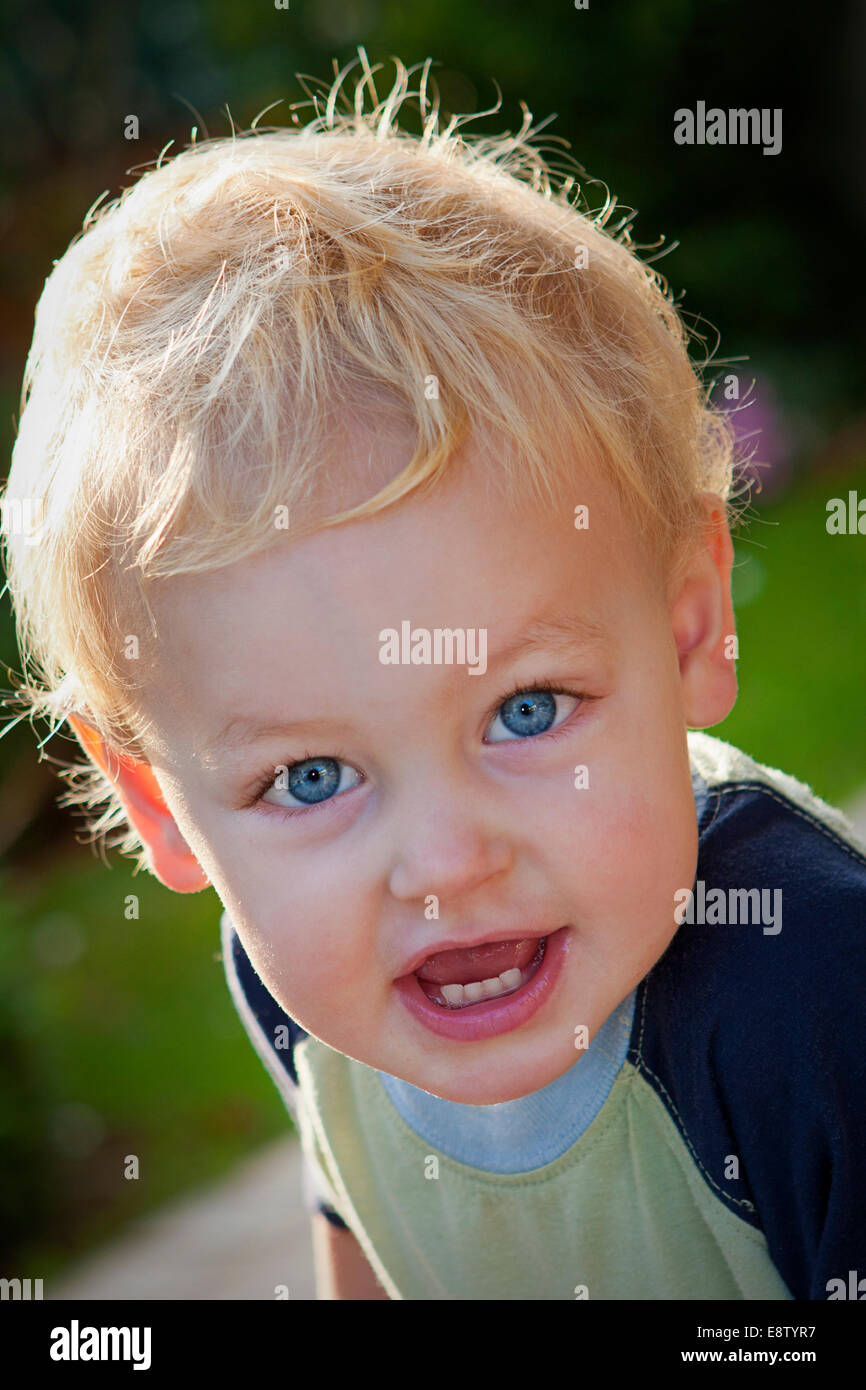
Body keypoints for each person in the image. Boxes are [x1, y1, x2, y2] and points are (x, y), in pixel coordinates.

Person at [3, 52, 864, 1300]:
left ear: (689, 629)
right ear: (155, 802)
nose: (448, 863)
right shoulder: (299, 973)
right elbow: (357, 1227)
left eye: (525, 711)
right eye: (309, 777)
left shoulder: (807, 990)